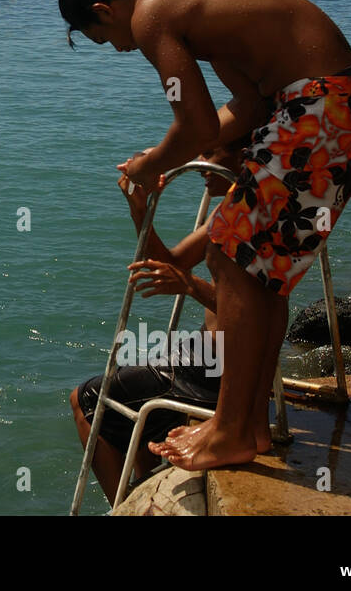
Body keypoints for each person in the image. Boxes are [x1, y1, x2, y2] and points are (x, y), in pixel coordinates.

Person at [59, 0, 351, 471]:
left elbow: (195, 123)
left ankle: (229, 430)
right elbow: (247, 107)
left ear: (103, 10)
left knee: (230, 255)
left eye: (103, 40)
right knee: (257, 270)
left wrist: (150, 165)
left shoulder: (150, 14)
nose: (119, 49)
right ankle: (249, 424)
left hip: (318, 106)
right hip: (336, 106)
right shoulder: (195, 6)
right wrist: (169, 152)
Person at [70, 141, 244, 501]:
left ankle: (123, 505)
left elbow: (251, 313)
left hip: (217, 370)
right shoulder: (233, 208)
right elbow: (169, 262)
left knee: (86, 399)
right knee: (134, 381)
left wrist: (191, 286)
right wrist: (141, 211)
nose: (200, 165)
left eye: (210, 155)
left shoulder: (250, 216)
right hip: (203, 354)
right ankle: (144, 487)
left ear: (242, 155)